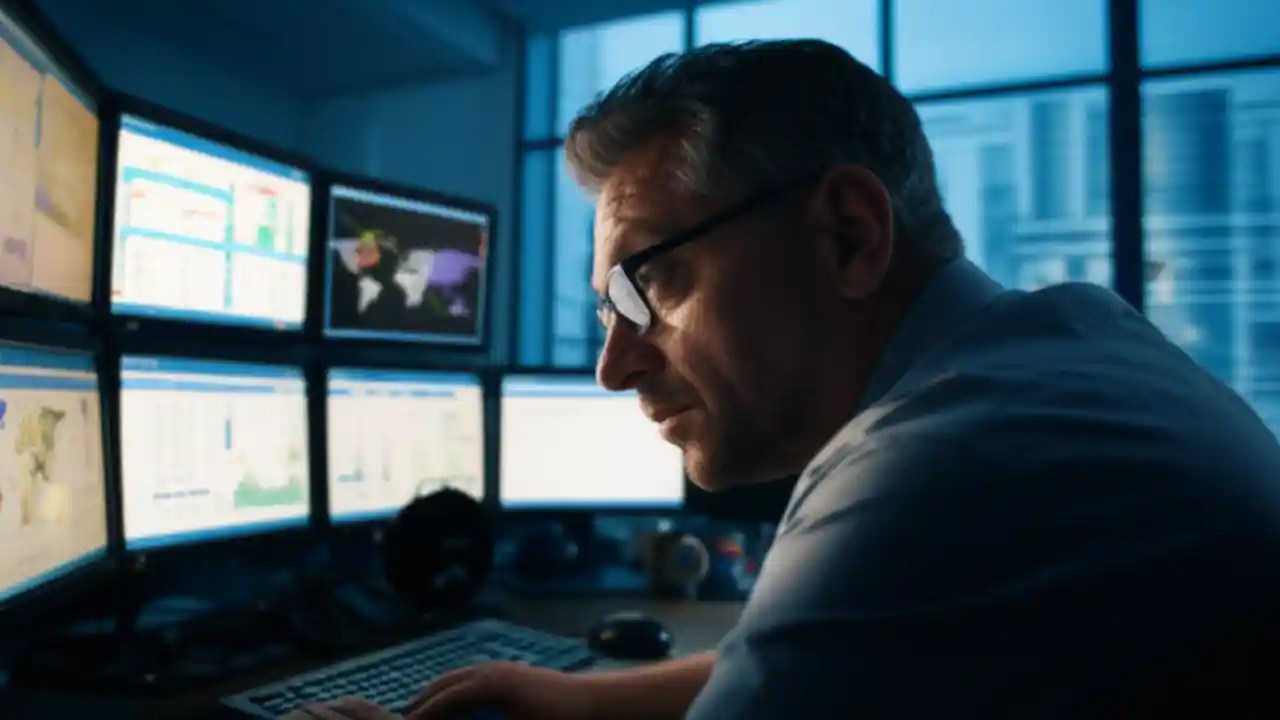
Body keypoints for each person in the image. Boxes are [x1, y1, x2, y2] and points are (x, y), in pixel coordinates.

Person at [288, 39, 1280, 720]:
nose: (611, 364)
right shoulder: (1070, 341)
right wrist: (573, 696)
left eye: (648, 285)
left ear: (846, 233)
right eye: (606, 312)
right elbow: (840, 651)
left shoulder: (929, 469)